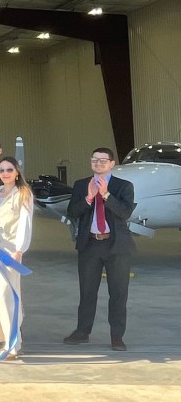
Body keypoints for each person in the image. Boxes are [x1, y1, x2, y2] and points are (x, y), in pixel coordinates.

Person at [64, 147, 135, 352]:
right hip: (90, 245)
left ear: (112, 164)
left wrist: (105, 195)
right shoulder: (80, 185)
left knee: (119, 293)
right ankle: (82, 331)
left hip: (117, 246)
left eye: (104, 160)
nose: (99, 163)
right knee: (87, 291)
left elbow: (125, 212)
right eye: (95, 160)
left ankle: (117, 336)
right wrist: (88, 198)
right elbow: (72, 211)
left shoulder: (124, 186)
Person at [0, 156, 34, 360]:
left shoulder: (23, 194)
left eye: (9, 170)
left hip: (10, 252)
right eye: (2, 170)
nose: (5, 173)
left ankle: (14, 343)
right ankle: (5, 340)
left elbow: (25, 222)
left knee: (8, 296)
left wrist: (19, 249)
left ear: (17, 172)